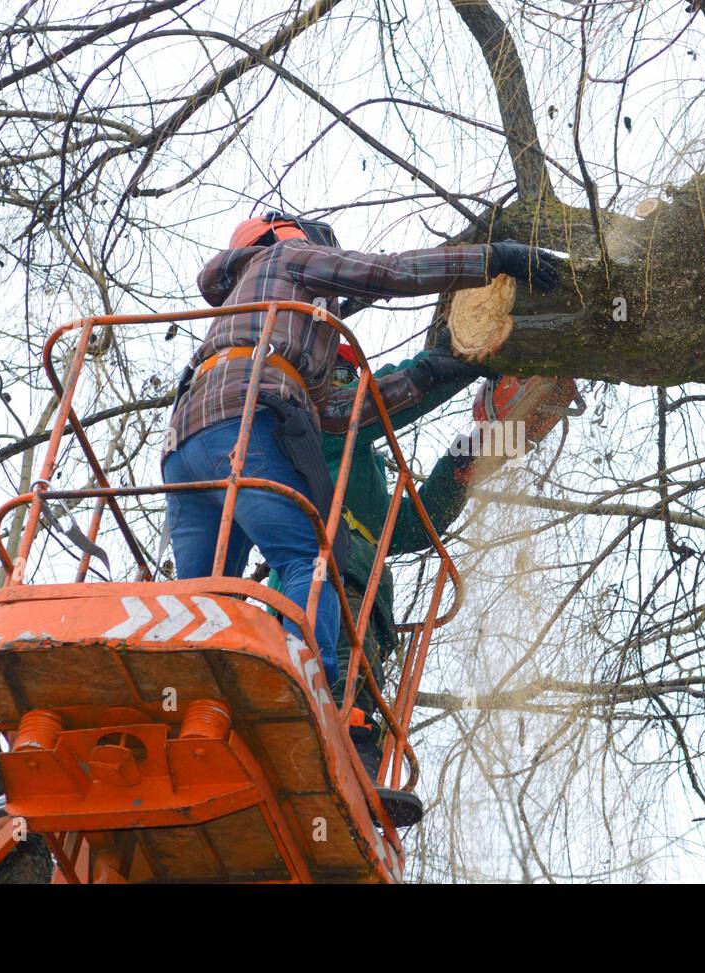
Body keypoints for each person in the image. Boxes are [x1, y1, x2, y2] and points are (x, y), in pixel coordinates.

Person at [162, 211, 559, 694]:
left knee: (205, 598)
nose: (345, 377)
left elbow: (409, 524)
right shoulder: (286, 263)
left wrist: (477, 444)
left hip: (186, 446)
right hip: (244, 428)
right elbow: (386, 276)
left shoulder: (253, 339)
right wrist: (490, 262)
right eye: (341, 371)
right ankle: (305, 687)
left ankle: (192, 690)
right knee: (308, 560)